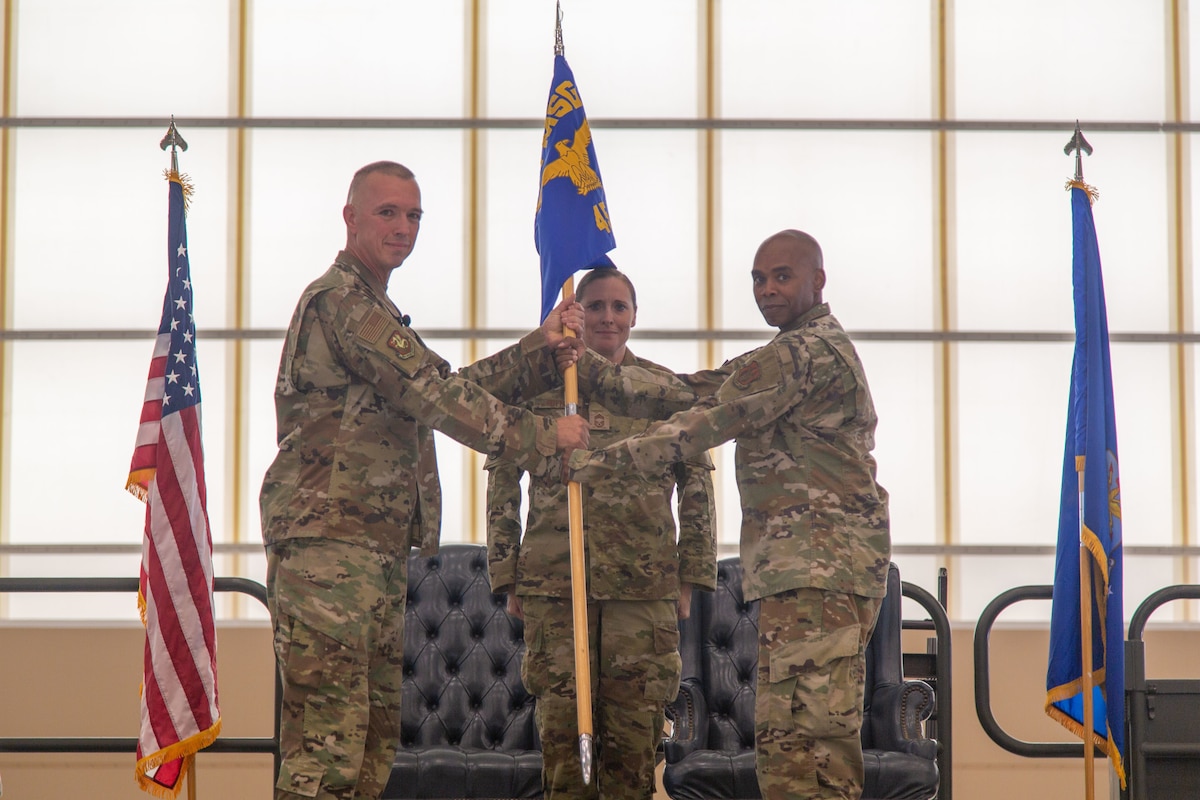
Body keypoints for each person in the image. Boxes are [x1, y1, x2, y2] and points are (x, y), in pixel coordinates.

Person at [259, 160, 590, 800]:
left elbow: (446, 387)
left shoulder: (375, 307)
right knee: (327, 748)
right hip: (329, 548)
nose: (403, 227)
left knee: (370, 743)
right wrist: (543, 437)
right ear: (351, 216)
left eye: (413, 215)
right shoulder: (343, 303)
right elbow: (438, 398)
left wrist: (540, 347)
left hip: (369, 551)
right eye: (387, 212)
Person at [562, 230, 891, 800]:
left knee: (802, 751)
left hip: (816, 573)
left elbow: (702, 424)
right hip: (811, 573)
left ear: (818, 280)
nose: (767, 290)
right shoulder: (790, 351)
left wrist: (592, 465)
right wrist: (586, 369)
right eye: (758, 279)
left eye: (782, 276)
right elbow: (697, 390)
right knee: (805, 744)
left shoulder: (802, 353)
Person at [486, 267, 717, 800]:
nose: (608, 317)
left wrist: (690, 576)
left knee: (634, 749)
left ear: (635, 316)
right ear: (575, 314)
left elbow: (697, 485)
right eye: (595, 306)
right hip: (555, 587)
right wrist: (507, 574)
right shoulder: (543, 390)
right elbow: (501, 480)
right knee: (565, 745)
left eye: (619, 307)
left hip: (642, 592)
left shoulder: (663, 392)